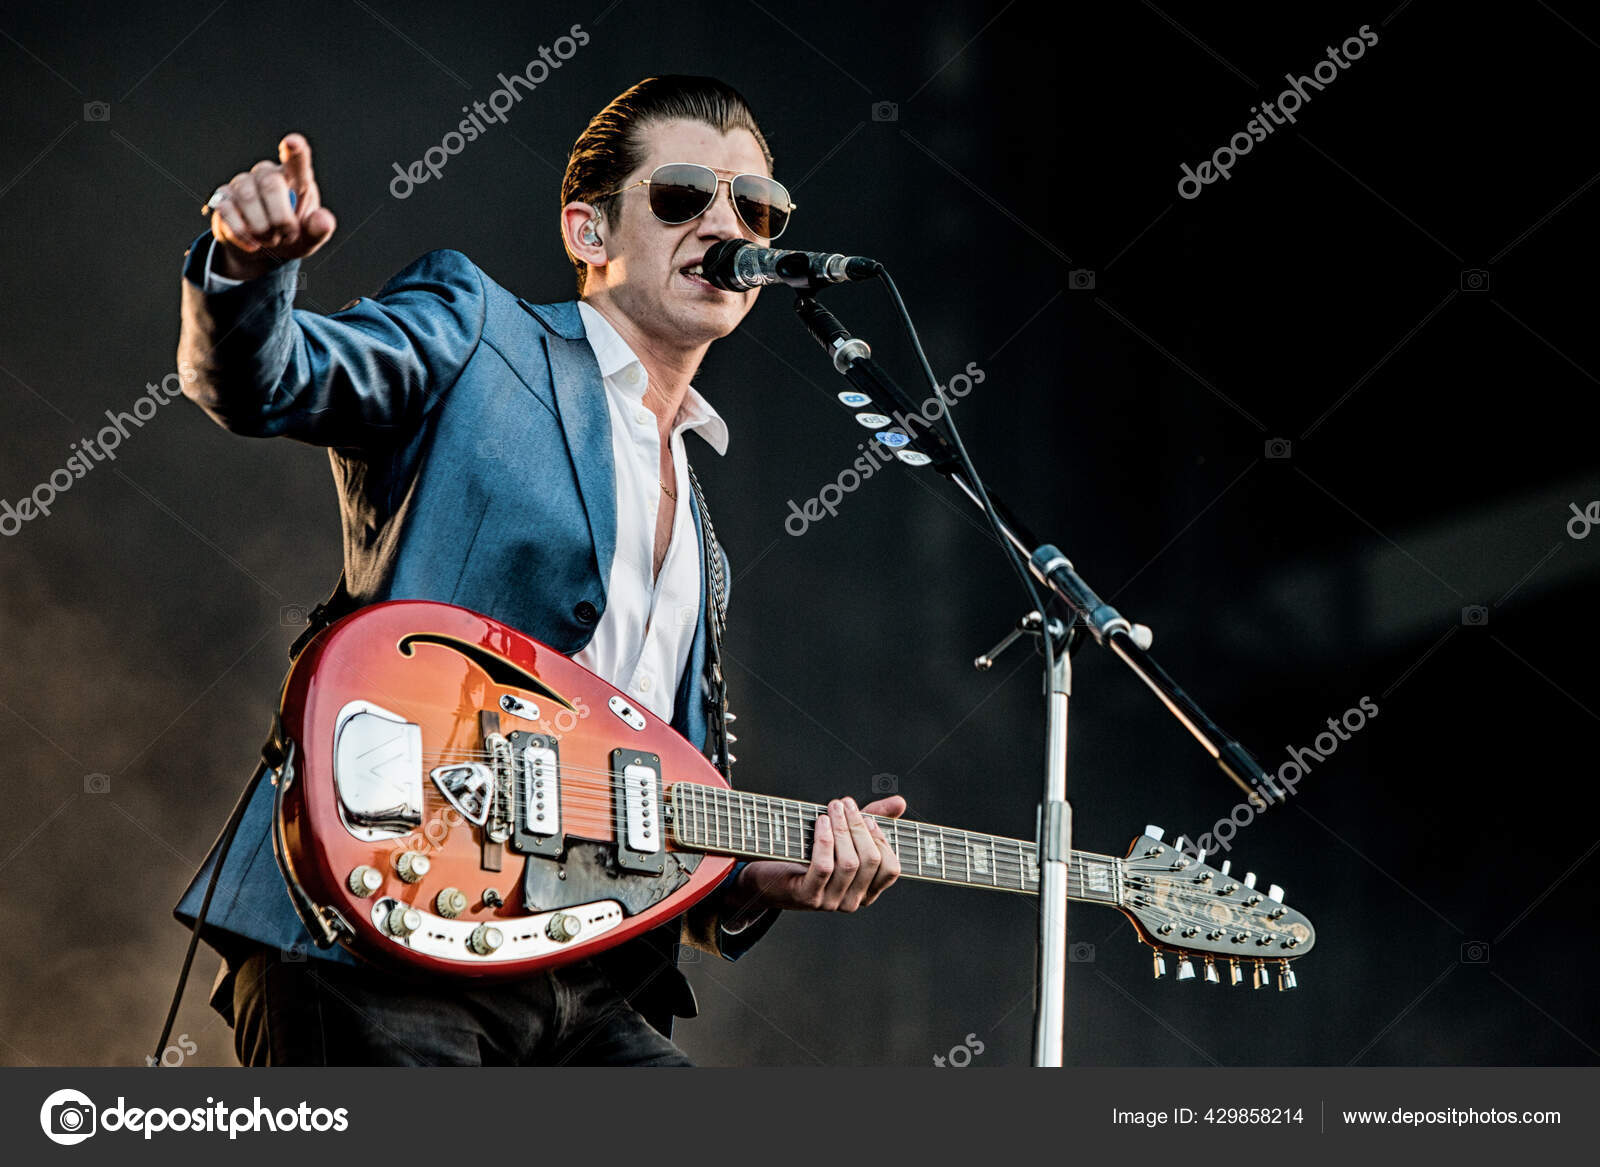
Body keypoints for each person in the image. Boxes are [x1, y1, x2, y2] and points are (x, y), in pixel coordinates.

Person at [171, 75, 906, 1066]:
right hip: (378, 928)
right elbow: (270, 381)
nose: (728, 225)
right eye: (684, 195)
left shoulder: (700, 530)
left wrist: (757, 877)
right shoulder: (478, 332)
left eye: (757, 207)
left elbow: (634, 790)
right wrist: (246, 270)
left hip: (579, 973)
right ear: (589, 231)